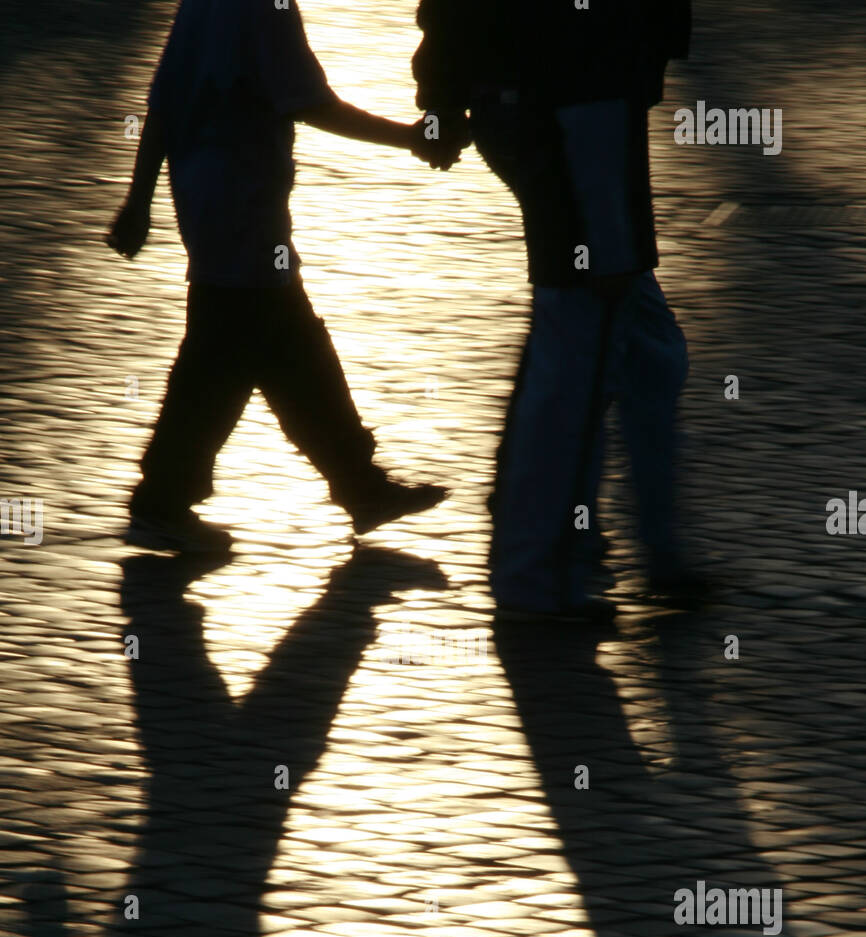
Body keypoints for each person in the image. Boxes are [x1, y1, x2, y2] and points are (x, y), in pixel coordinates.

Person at [108, 0, 465, 554]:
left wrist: (140, 200)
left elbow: (162, 105)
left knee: (283, 342)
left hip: (206, 203)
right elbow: (313, 104)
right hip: (245, 205)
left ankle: (359, 486)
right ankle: (162, 501)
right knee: (225, 352)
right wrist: (412, 138)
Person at [413, 0, 707, 618]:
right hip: (578, 101)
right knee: (581, 337)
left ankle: (627, 547)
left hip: (563, 97)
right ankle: (538, 572)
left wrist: (442, 93)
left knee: (638, 344)